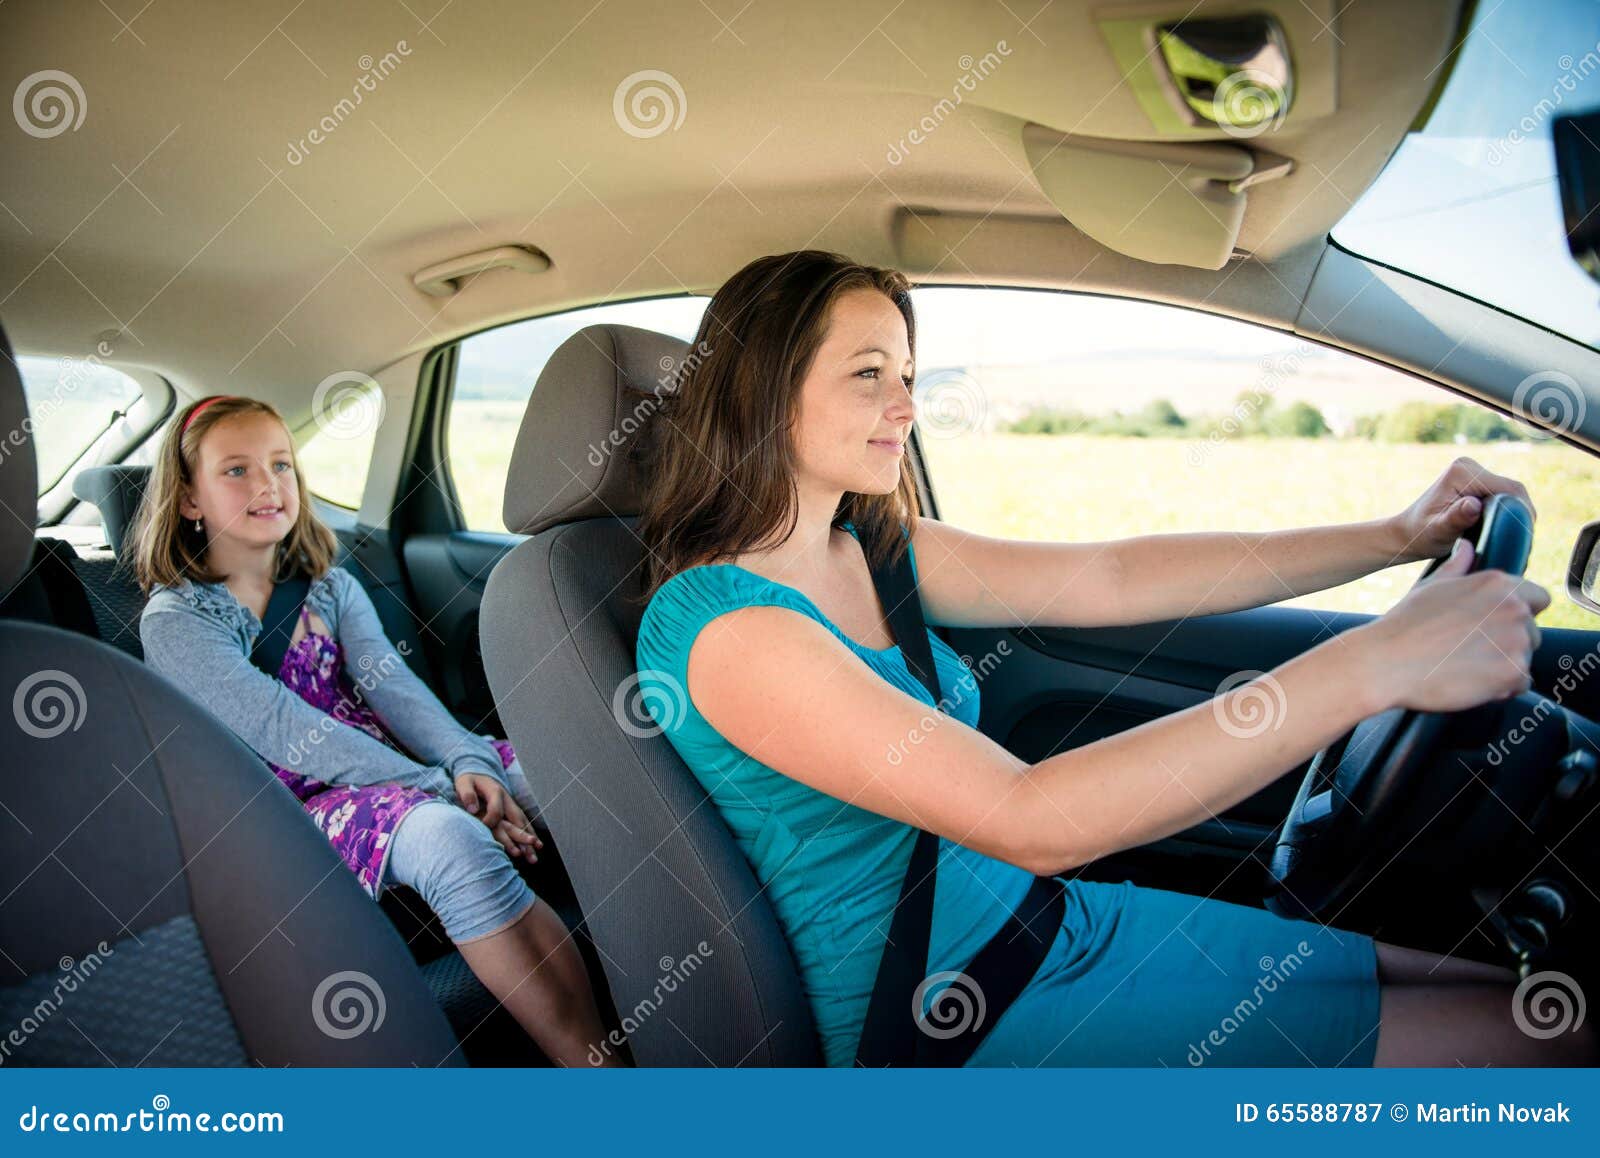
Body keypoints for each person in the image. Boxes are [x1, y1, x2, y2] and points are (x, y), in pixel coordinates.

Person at [632, 249, 1598, 1067]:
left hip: (1050, 924)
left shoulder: (874, 550)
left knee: (1509, 992)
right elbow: (1029, 817)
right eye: (869, 374)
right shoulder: (727, 629)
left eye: (911, 375)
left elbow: (1111, 577)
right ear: (765, 389)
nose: (907, 406)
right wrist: (1375, 663)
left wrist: (1393, 536)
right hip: (951, 1018)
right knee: (1543, 1041)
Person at [131, 393, 617, 1066]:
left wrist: (468, 759)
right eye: (236, 471)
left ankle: (674, 987)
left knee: (559, 777)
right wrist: (441, 791)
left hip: (389, 766)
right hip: (288, 803)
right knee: (450, 837)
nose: (269, 484)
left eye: (281, 464)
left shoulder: (327, 584)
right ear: (188, 499)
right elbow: (283, 730)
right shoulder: (179, 622)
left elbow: (393, 687)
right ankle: (594, 1065)